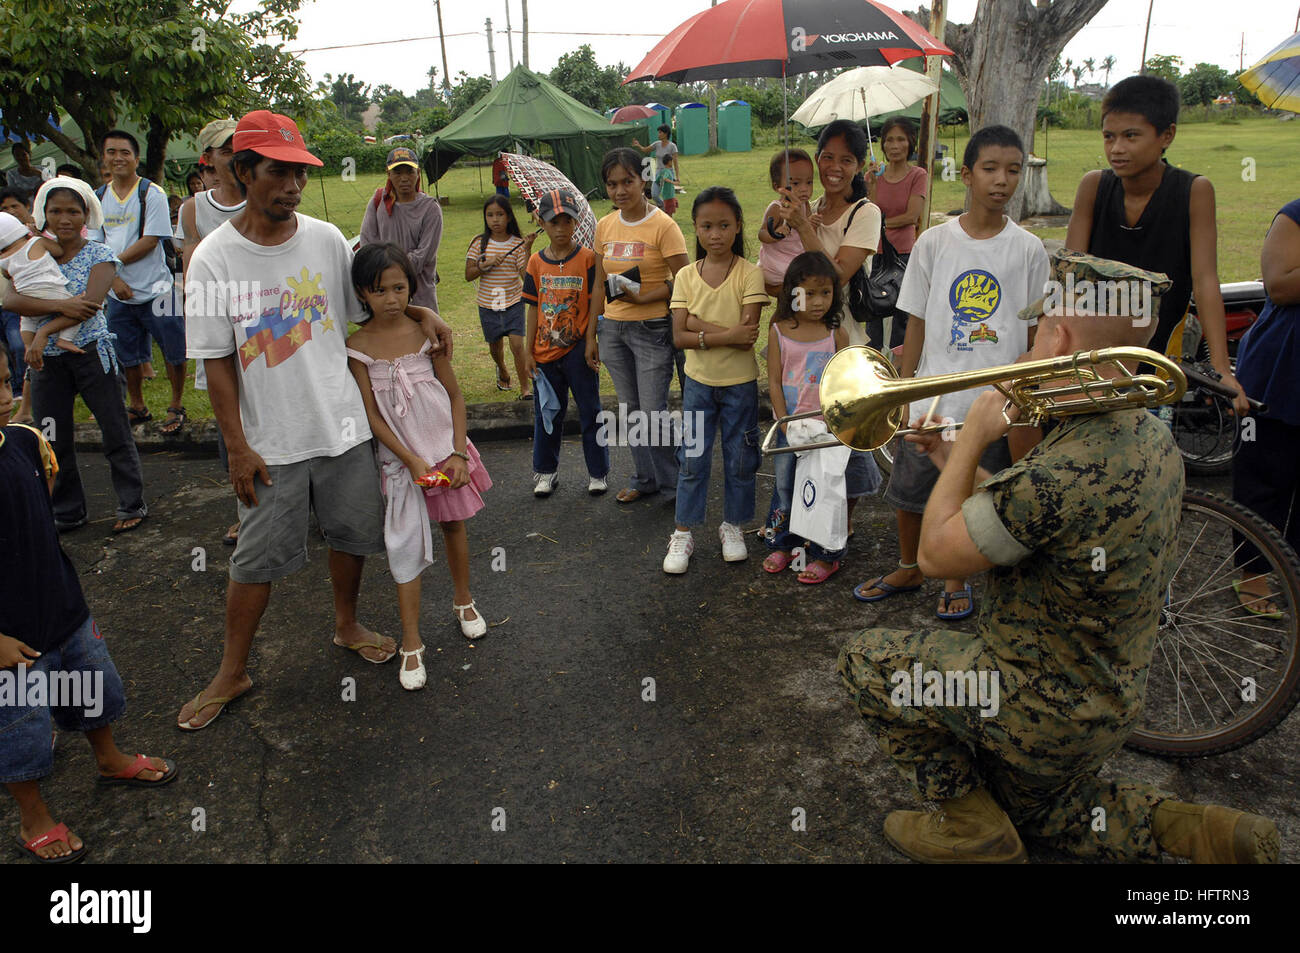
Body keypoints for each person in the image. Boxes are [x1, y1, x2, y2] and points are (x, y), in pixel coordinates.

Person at [837, 248, 1279, 865]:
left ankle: (970, 828)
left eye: (1037, 327)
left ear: (1061, 335)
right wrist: (945, 456)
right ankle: (1200, 830)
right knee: (1045, 815)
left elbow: (939, 557)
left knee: (866, 661)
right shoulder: (1152, 438)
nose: (1027, 341)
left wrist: (973, 440)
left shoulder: (1056, 473)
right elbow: (1015, 530)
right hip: (1109, 697)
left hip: (1037, 699)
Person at [177, 110, 455, 731]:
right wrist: (237, 448)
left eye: (300, 173)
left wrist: (420, 313)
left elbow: (367, 304)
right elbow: (218, 361)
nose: (293, 186)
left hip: (346, 427)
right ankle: (233, 669)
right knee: (255, 561)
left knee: (353, 536)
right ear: (243, 171)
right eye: (279, 172)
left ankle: (347, 623)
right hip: (270, 442)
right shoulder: (214, 260)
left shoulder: (328, 239)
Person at [853, 125, 1048, 621]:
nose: (1001, 181)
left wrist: (1024, 393)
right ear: (966, 174)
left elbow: (1031, 333)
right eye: (989, 169)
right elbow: (914, 319)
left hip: (997, 402)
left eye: (1012, 170)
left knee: (985, 490)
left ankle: (956, 576)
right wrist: (905, 387)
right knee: (912, 491)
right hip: (935, 395)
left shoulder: (1028, 249)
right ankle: (910, 565)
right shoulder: (934, 243)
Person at [0, 363, 178, 863]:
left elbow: (42, 502)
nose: (1, 396)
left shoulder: (23, 439)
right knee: (20, 729)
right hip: (9, 638)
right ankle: (32, 814)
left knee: (94, 684)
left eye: (2, 381)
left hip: (63, 604)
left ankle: (109, 757)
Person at [346, 244, 492, 690]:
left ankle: (464, 599)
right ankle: (411, 641)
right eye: (379, 291)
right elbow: (371, 415)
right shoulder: (356, 347)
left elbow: (455, 395)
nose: (391, 299)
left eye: (399, 288)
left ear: (411, 288)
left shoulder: (428, 334)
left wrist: (458, 453)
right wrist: (407, 459)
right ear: (361, 293)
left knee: (454, 525)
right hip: (399, 460)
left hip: (444, 451)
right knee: (404, 545)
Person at [1065, 74, 1248, 414]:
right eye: (1109, 137)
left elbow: (1205, 280)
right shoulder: (1093, 187)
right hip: (1093, 357)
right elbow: (1071, 277)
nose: (1116, 148)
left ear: (1167, 135)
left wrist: (1222, 368)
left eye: (1131, 136)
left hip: (1157, 359)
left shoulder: (1194, 191)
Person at [2, 177, 148, 534]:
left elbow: (89, 307)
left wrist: (44, 330)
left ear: (86, 214)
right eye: (55, 211)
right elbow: (10, 300)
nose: (64, 219)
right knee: (53, 437)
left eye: (72, 211)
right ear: (44, 214)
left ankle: (132, 503)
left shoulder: (100, 256)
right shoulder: (28, 250)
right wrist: (62, 304)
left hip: (91, 353)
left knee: (115, 431)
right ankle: (67, 511)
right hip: (46, 363)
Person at [780, 120, 882, 527]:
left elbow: (835, 275)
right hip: (803, 341)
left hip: (846, 340)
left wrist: (805, 227)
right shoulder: (811, 205)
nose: (834, 166)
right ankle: (806, 522)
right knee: (808, 435)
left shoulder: (866, 212)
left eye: (846, 159)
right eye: (827, 156)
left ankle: (839, 525)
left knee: (845, 434)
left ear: (858, 166)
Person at [663, 187, 765, 573]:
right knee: (692, 459)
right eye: (707, 226)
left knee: (740, 459)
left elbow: (748, 335)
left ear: (738, 227)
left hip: (740, 384)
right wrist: (724, 335)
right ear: (696, 228)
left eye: (724, 225)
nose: (716, 234)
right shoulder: (686, 275)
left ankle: (733, 526)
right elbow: (678, 336)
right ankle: (683, 532)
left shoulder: (749, 273)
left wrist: (697, 328)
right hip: (698, 384)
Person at [594, 147, 689, 504]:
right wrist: (593, 332)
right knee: (630, 410)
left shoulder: (663, 224)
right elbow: (597, 285)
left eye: (627, 181)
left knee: (653, 412)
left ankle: (675, 483)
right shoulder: (605, 225)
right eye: (612, 184)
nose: (620, 191)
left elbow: (685, 279)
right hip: (613, 331)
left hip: (652, 329)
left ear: (643, 179)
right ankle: (644, 477)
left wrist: (645, 297)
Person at [763, 252, 856, 583]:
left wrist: (836, 421)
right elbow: (774, 380)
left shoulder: (837, 335)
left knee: (823, 487)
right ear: (792, 292)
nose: (819, 302)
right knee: (786, 486)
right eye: (810, 293)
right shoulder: (779, 331)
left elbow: (845, 382)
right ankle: (784, 545)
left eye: (826, 293)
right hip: (790, 428)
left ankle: (824, 553)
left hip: (827, 430)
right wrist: (784, 421)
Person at [91, 129, 187, 434]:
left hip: (161, 287)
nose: (118, 158)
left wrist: (112, 270)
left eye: (125, 152)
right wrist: (113, 281)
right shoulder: (98, 198)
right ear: (103, 157)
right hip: (118, 294)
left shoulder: (151, 193)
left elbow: (151, 240)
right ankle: (137, 405)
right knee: (126, 354)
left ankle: (176, 405)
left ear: (136, 158)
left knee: (175, 348)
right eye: (111, 152)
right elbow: (93, 245)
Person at [1232, 198, 1300, 616]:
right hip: (1283, 366)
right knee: (1264, 482)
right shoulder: (1295, 215)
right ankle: (1253, 577)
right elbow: (1279, 285)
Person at [181, 118, 245, 546]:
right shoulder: (194, 210)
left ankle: (302, 501)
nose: (237, 157)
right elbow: (192, 276)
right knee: (231, 419)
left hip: (269, 324)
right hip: (224, 323)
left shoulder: (271, 195)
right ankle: (248, 508)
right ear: (209, 159)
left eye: (242, 147)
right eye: (226, 150)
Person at [520, 188, 609, 497]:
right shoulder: (535, 263)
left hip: (577, 350)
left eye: (567, 222)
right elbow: (532, 308)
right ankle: (545, 472)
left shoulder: (587, 259)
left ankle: (598, 472)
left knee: (590, 411)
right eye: (553, 222)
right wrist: (528, 350)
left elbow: (596, 303)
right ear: (541, 223)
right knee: (547, 414)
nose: (561, 229)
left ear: (576, 223)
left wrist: (590, 341)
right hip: (544, 353)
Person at [464, 195, 535, 401]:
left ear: (509, 217)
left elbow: (525, 277)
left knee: (516, 344)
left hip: (513, 302)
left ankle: (525, 389)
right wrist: (485, 264)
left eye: (500, 215)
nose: (495, 220)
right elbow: (468, 275)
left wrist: (527, 249)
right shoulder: (480, 243)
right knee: (495, 346)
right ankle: (502, 369)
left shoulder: (517, 244)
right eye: (490, 215)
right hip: (488, 304)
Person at [865, 117, 928, 350]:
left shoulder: (917, 175)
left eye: (900, 139)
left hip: (904, 254)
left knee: (902, 313)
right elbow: (869, 213)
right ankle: (873, 363)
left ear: (910, 142)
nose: (894, 145)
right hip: (878, 254)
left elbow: (912, 216)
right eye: (889, 140)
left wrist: (880, 225)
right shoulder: (874, 176)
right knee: (874, 311)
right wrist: (870, 184)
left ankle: (900, 365)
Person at [360, 147, 443, 312]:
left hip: (421, 298)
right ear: (388, 174)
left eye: (409, 172)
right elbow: (367, 243)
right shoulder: (378, 201)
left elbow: (423, 255)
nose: (404, 178)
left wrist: (387, 270)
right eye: (397, 172)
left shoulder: (430, 208)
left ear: (418, 173)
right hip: (384, 297)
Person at [0, 211, 81, 353]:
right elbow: (59, 251)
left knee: (27, 321)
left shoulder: (3, 259)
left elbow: (7, 275)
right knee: (77, 309)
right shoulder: (36, 242)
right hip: (50, 291)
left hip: (26, 298)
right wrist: (38, 235)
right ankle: (65, 339)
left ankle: (28, 346)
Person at [757, 149, 818, 298]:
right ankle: (786, 317)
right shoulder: (777, 208)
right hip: (777, 265)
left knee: (799, 297)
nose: (804, 188)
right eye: (796, 183)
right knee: (801, 289)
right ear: (777, 186)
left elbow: (808, 230)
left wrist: (811, 224)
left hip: (795, 258)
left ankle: (794, 314)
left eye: (809, 182)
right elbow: (762, 234)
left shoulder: (805, 205)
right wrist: (776, 234)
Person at [0, 188, 34, 423]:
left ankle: (21, 390)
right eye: (5, 208)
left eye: (15, 206)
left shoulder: (35, 238)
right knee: (5, 349)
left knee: (19, 345)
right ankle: (10, 388)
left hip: (21, 304)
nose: (11, 211)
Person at [635, 125, 683, 191]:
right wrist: (638, 145)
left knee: (666, 194)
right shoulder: (656, 144)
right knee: (654, 194)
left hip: (667, 172)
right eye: (658, 132)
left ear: (666, 134)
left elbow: (675, 163)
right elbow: (645, 150)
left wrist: (677, 177)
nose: (658, 134)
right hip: (658, 172)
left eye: (660, 132)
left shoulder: (672, 146)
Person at [656, 152, 679, 217]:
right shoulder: (667, 171)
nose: (672, 163)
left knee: (667, 211)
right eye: (671, 161)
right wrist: (673, 183)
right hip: (669, 195)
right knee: (669, 214)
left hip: (666, 195)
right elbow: (665, 178)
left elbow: (657, 180)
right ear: (669, 162)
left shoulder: (663, 171)